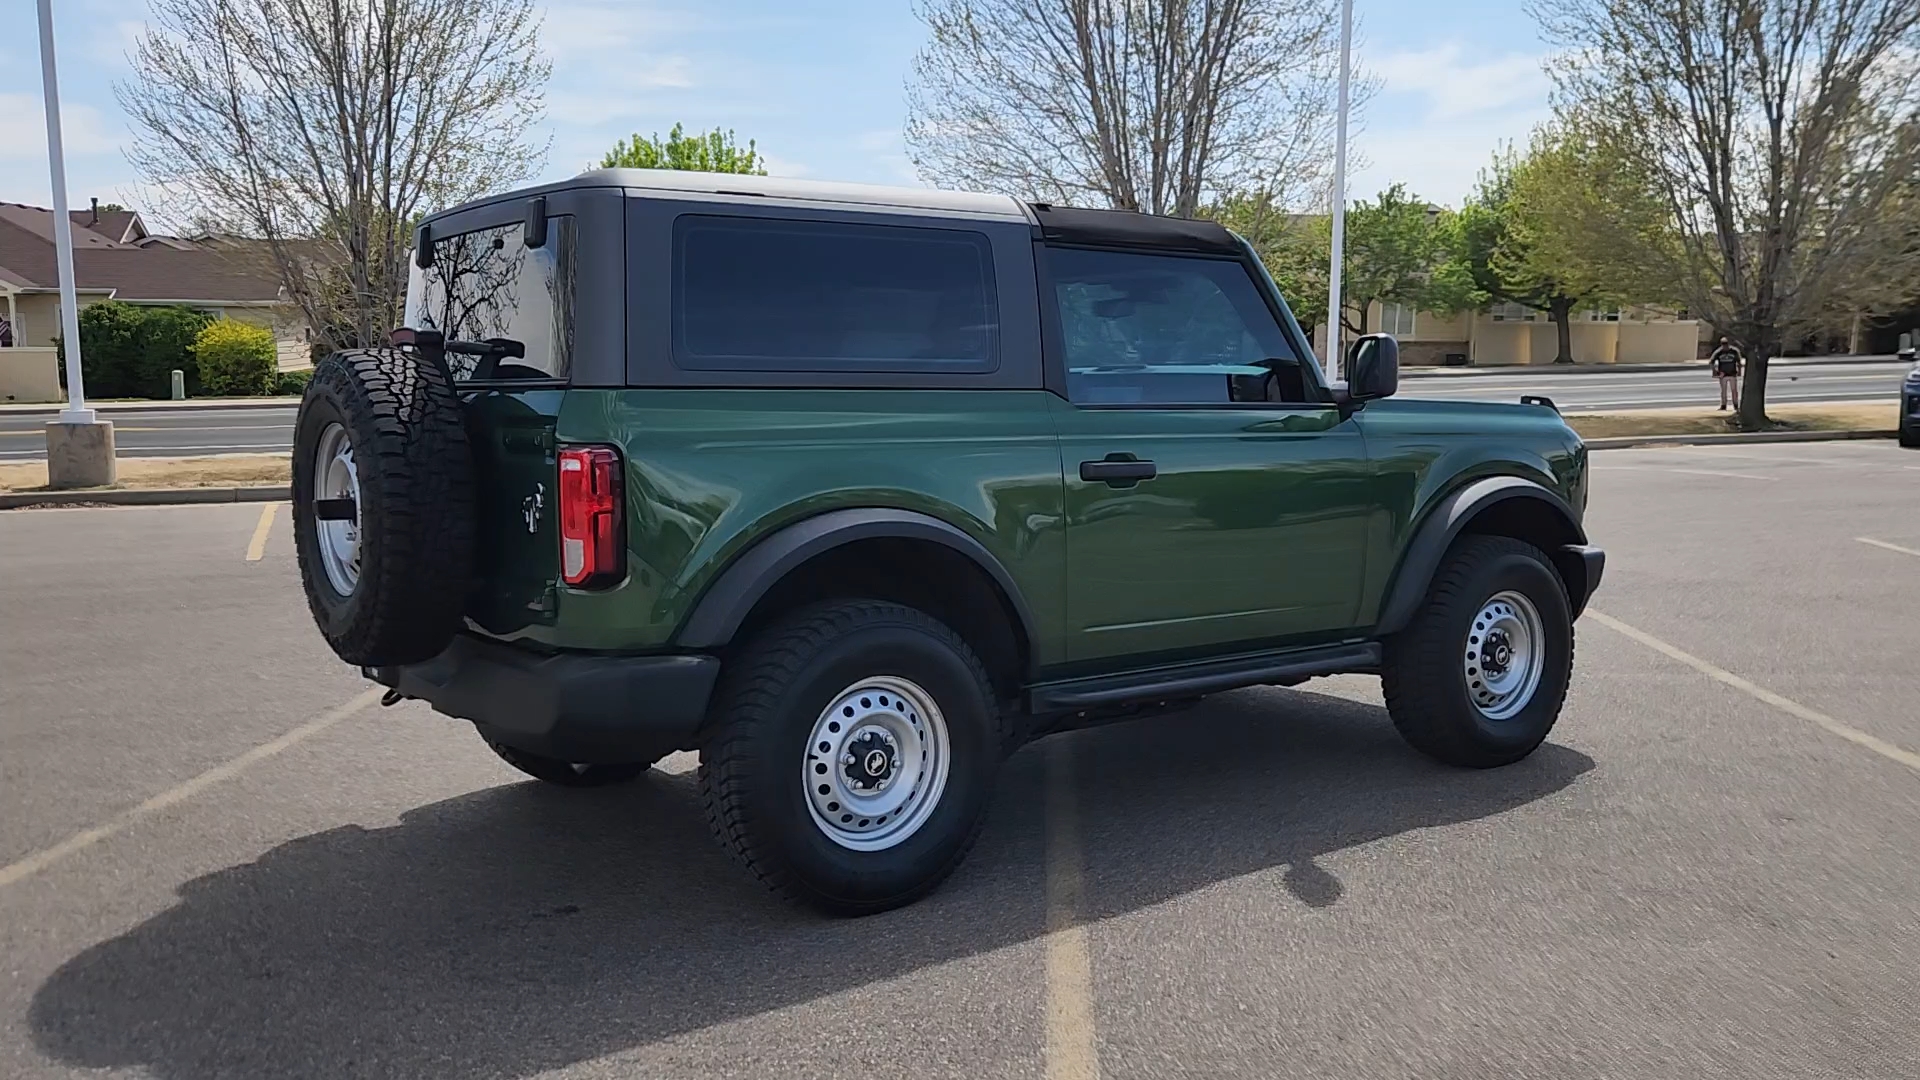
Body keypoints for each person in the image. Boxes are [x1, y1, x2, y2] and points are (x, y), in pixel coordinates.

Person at [1709, 337, 1743, 410]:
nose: (1725, 346)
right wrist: (1715, 371)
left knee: (1734, 390)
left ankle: (1736, 405)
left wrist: (1739, 371)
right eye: (1723, 344)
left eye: (1726, 344)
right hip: (1723, 374)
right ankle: (1723, 405)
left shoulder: (1734, 351)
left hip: (1732, 373)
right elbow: (1711, 362)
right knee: (1723, 391)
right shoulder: (1718, 352)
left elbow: (1739, 362)